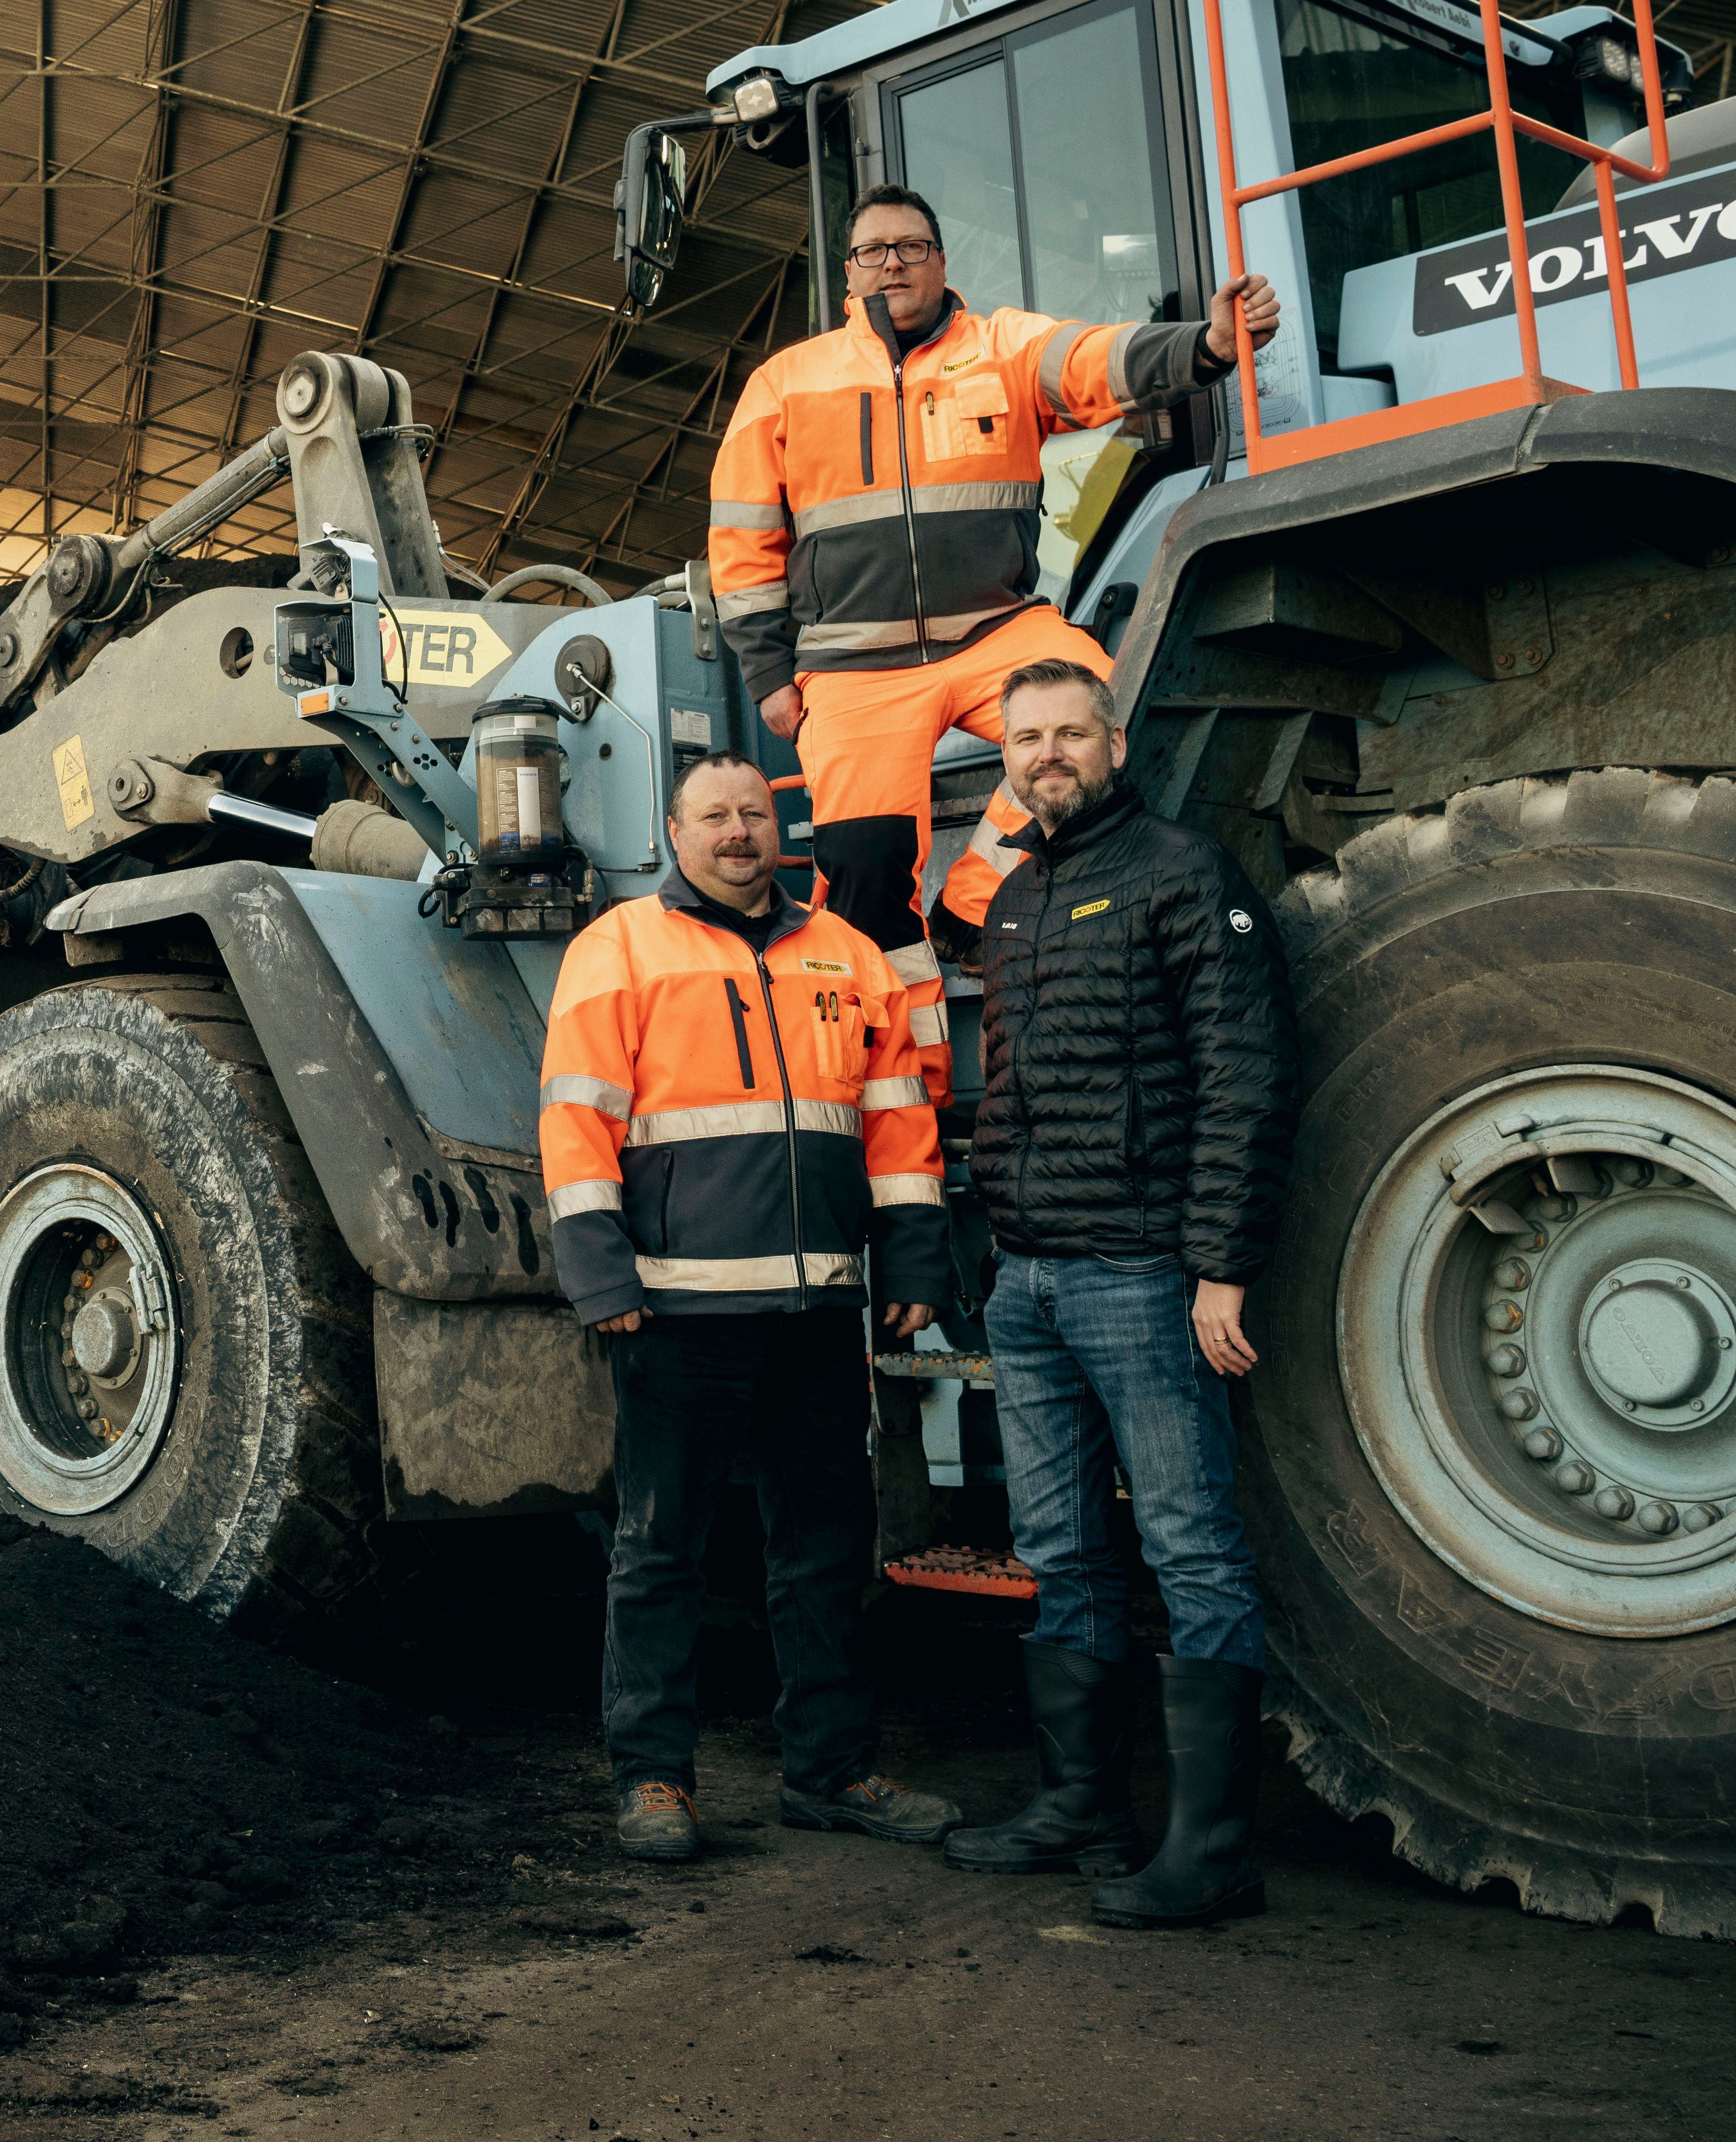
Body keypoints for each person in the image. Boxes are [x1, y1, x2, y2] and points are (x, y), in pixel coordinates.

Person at [702, 185, 1279, 1080]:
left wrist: (1204, 346)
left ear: (940, 261)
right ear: (849, 275)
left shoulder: (1005, 348)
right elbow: (742, 540)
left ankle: (971, 910)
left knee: (1100, 707)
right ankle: (905, 1081)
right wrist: (769, 674)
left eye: (912, 247)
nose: (893, 263)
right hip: (854, 665)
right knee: (861, 869)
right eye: (874, 252)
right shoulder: (785, 382)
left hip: (994, 633)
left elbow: (1097, 361)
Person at [538, 747, 956, 1866]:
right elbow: (576, 1125)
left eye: (755, 813)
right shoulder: (617, 950)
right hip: (675, 1317)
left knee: (825, 1550)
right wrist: (602, 1276)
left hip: (819, 1313)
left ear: (780, 832)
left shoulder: (848, 954)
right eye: (714, 815)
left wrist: (914, 1263)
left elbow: (899, 1126)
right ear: (674, 837)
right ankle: (655, 1781)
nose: (738, 831)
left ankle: (830, 1771)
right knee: (661, 1549)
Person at [936, 658, 1297, 1928]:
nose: (1046, 755)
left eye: (1068, 734)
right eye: (1025, 738)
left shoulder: (1183, 876)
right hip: (1028, 1278)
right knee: (1061, 1547)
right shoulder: (1019, 900)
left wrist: (1221, 1265)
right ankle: (1084, 1804)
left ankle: (1213, 1854)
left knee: (1190, 1545)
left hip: (1145, 1277)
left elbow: (1242, 1079)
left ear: (1115, 742)